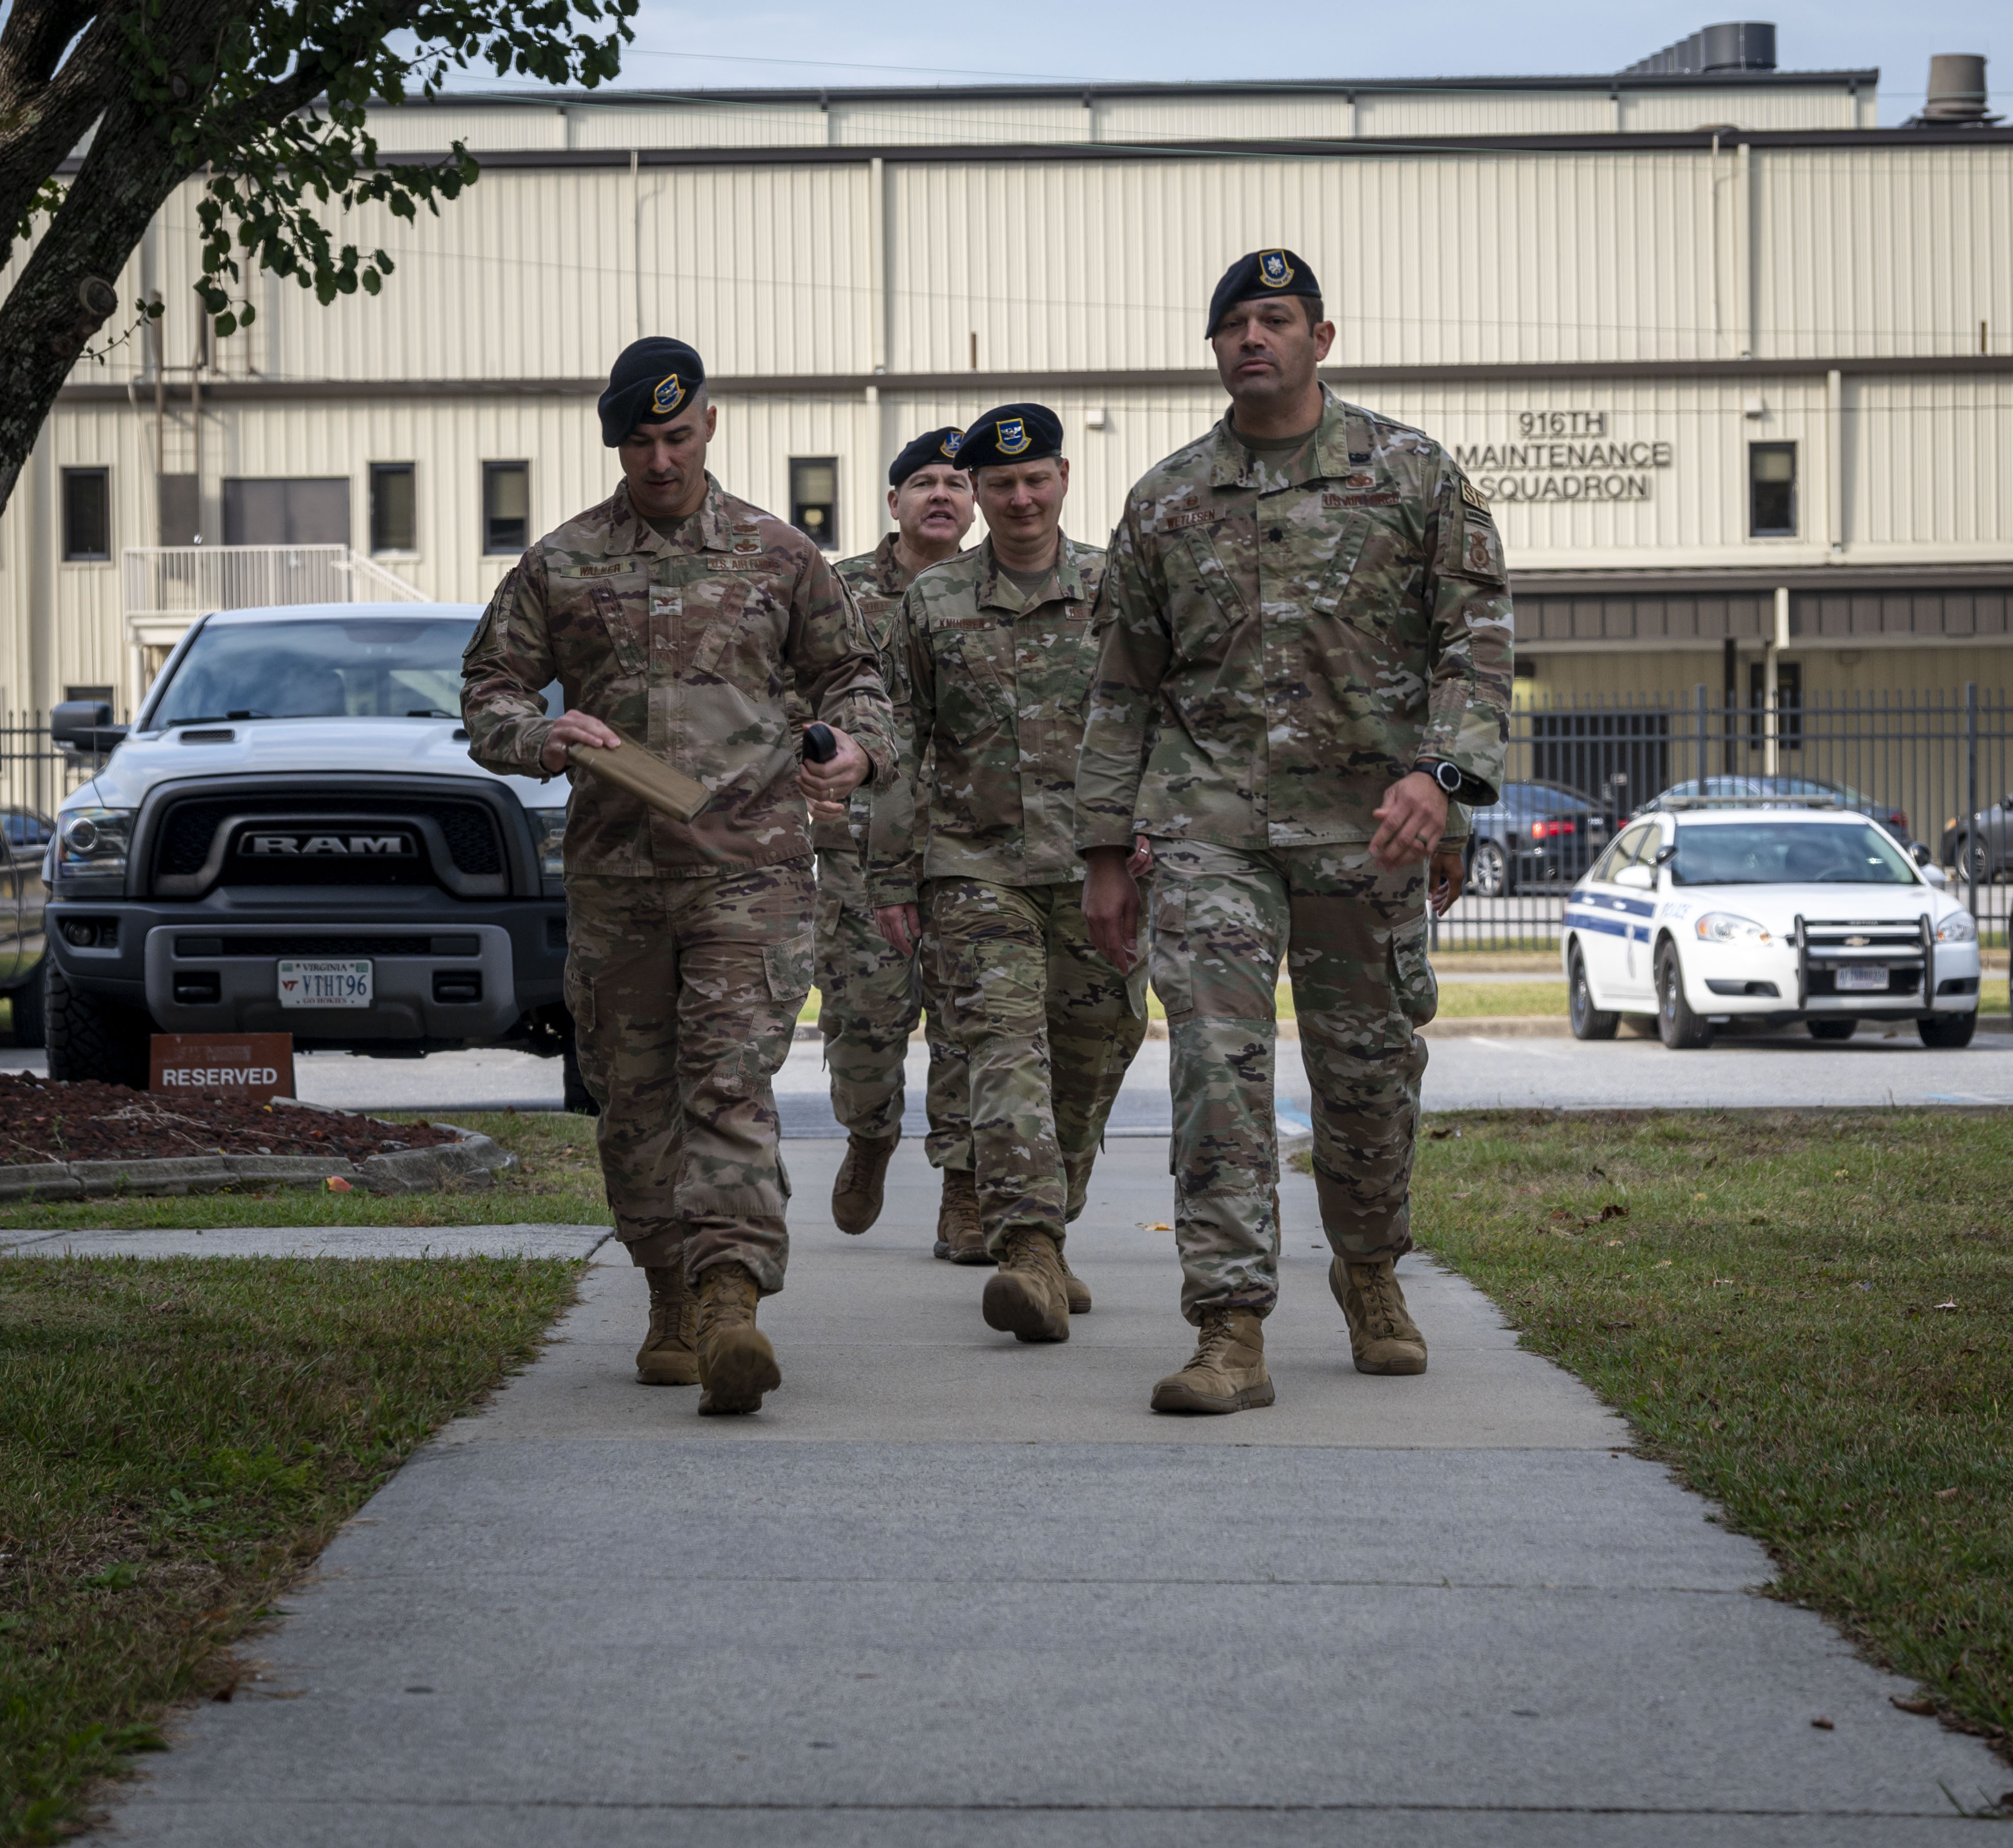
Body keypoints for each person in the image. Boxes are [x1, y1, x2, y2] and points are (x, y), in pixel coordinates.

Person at [1076, 250, 1511, 1413]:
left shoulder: (1412, 477)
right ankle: (1229, 1327)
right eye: (1232, 325)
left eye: (1275, 319)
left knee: (1366, 1075)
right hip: (1208, 821)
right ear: (1212, 349)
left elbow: (1471, 644)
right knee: (1218, 1067)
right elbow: (1121, 690)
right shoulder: (1164, 500)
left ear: (1324, 337)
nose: (1251, 339)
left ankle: (1369, 1273)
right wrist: (1107, 854)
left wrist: (1444, 777)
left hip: (1369, 829)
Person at [462, 336, 895, 1415]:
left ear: (710, 425)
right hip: (617, 879)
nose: (661, 459)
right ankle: (667, 1292)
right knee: (633, 1096)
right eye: (641, 442)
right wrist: (538, 734)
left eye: (678, 434)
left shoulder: (778, 556)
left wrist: (855, 747)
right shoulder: (560, 564)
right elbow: (488, 690)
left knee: (729, 1082)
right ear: (618, 444)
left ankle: (730, 1300)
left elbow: (851, 675)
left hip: (749, 872)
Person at [870, 404, 1148, 1342]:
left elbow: (1162, 724)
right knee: (1003, 1050)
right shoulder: (933, 603)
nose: (1020, 498)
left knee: (1098, 1045)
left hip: (1097, 870)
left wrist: (1157, 840)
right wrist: (890, 875)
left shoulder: (1118, 591)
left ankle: (1051, 1229)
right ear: (979, 494)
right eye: (1000, 485)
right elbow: (897, 742)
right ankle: (1025, 1248)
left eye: (1035, 480)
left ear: (1064, 478)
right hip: (971, 867)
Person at [819, 432, 979, 1255]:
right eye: (923, 482)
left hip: (968, 845)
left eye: (958, 481)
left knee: (965, 1020)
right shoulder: (837, 593)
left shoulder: (996, 589)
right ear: (894, 503)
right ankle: (870, 1134)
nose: (941, 495)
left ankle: (962, 1188)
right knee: (865, 1020)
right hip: (857, 843)